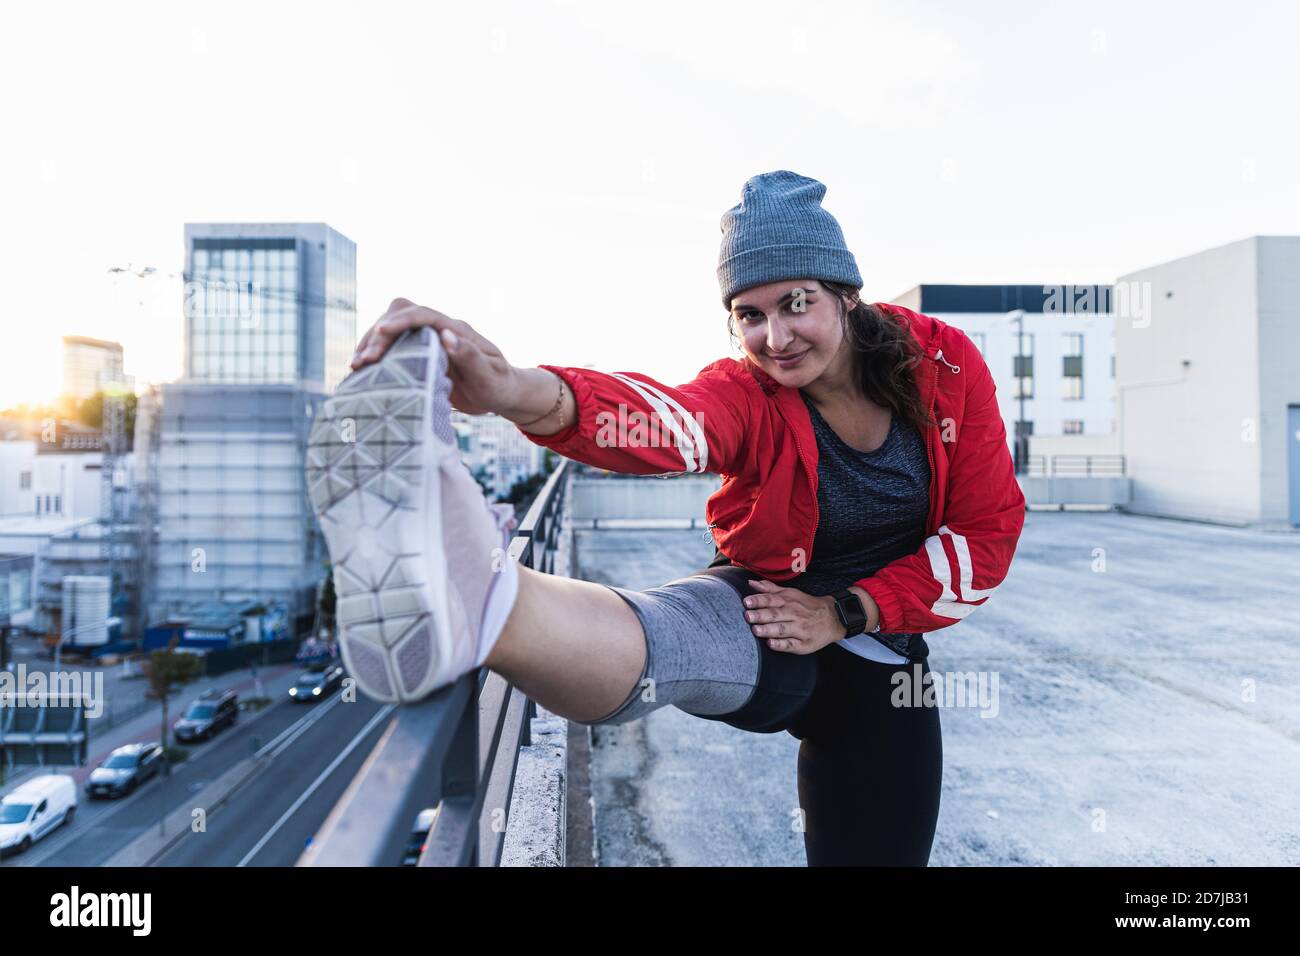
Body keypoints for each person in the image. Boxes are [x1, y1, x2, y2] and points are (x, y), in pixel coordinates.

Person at [307, 170, 1026, 865]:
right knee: (671, 636)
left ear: (845, 293)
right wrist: (512, 389)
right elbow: (669, 422)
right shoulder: (751, 390)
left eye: (796, 303)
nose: (775, 338)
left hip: (881, 654)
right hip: (766, 605)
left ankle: (476, 587)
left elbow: (986, 534)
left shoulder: (945, 366)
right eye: (750, 314)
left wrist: (847, 610)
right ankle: (482, 595)